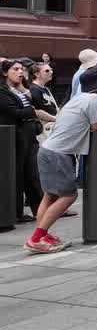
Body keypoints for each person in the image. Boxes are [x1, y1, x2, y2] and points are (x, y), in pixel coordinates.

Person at [26, 67, 97, 254]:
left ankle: (42, 235)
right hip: (59, 154)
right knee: (69, 195)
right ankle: (37, 238)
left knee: (50, 195)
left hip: (47, 150)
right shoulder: (93, 99)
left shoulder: (77, 99)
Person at [0, 60, 46, 222]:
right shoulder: (3, 91)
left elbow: (36, 104)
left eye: (22, 69)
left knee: (33, 173)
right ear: (5, 73)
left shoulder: (20, 89)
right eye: (16, 69)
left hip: (29, 135)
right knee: (18, 173)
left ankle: (40, 209)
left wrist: (25, 93)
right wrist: (30, 111)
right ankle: (16, 213)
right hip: (16, 136)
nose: (20, 72)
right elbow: (16, 113)